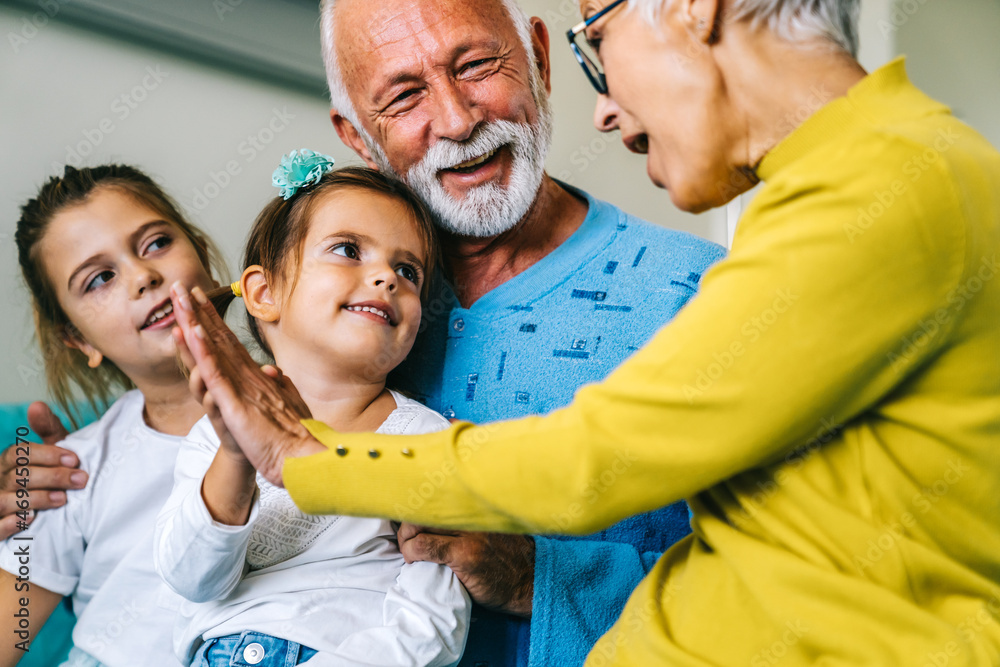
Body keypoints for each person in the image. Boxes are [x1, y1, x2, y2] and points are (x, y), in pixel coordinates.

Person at [168, 0, 1000, 664]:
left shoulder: (876, 191)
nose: (608, 110)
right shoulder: (851, 187)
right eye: (405, 94)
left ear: (695, 8)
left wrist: (304, 457)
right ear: (356, 135)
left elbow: (600, 457)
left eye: (595, 45)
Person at [7, 1, 724, 664]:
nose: (454, 119)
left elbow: (782, 577)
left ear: (538, 57)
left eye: (475, 65)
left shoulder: (704, 295)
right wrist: (38, 472)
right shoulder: (318, 312)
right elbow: (167, 445)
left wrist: (541, 577)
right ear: (356, 134)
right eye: (403, 95)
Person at [154, 155, 469, 666]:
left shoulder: (427, 442)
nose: (386, 279)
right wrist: (236, 453)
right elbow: (192, 579)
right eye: (348, 250)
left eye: (407, 270)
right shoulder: (212, 437)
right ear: (264, 292)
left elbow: (434, 626)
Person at [0, 164, 226, 666]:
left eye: (156, 244)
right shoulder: (70, 473)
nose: (144, 276)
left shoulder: (329, 411)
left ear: (204, 259)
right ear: (78, 339)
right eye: (100, 278)